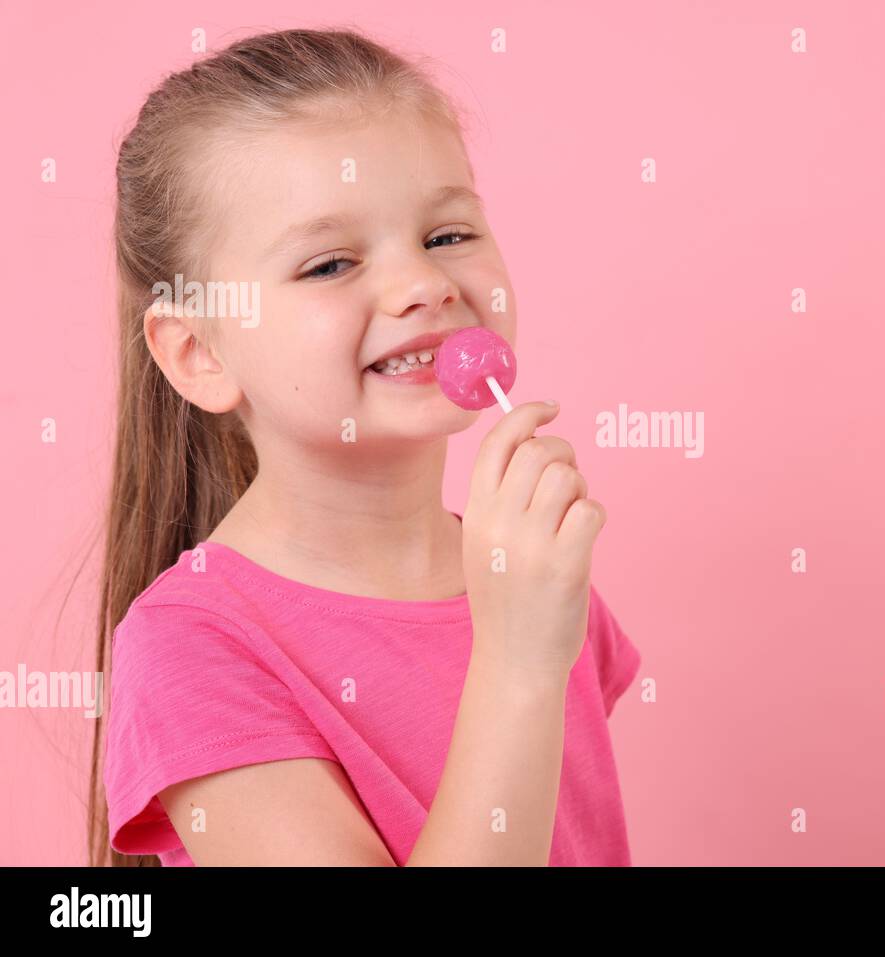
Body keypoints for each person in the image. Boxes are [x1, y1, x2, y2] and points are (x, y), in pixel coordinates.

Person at [88, 27, 641, 867]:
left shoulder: (524, 572)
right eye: (330, 264)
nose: (425, 285)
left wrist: (529, 626)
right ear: (199, 352)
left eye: (447, 235)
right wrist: (519, 661)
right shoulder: (190, 651)